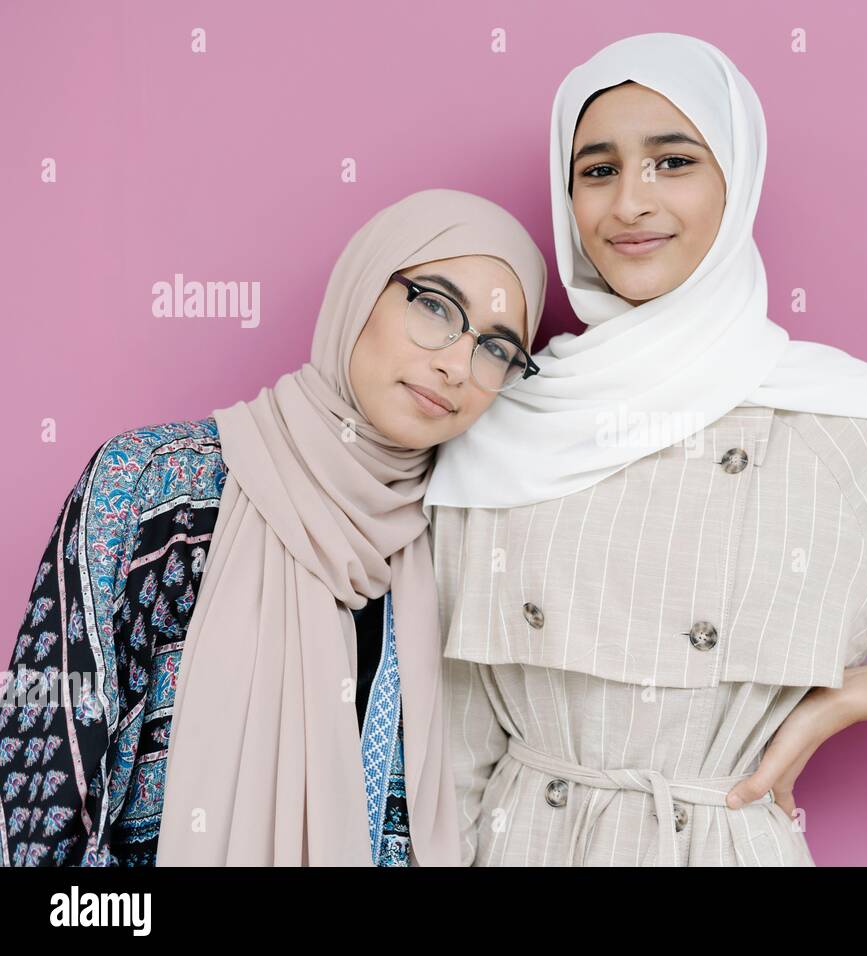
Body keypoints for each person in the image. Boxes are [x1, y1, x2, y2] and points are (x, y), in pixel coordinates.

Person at [423, 34, 867, 867]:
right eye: (597, 170)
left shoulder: (826, 413)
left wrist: (862, 698)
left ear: (737, 179)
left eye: (673, 161)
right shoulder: (508, 415)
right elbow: (457, 737)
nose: (629, 203)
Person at [0, 189, 547, 866]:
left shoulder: (462, 544)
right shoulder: (151, 491)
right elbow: (42, 787)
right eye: (435, 307)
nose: (457, 366)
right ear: (362, 286)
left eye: (496, 347)